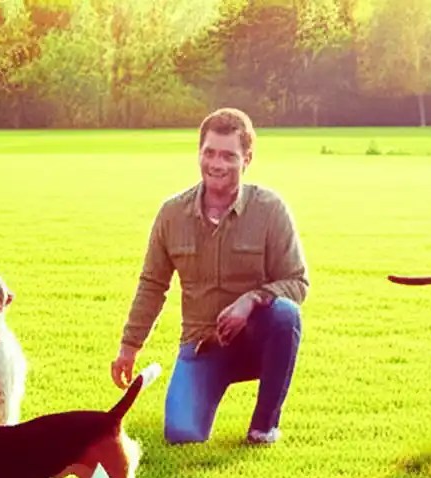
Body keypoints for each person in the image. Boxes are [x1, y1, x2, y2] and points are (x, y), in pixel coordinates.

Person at [110, 107, 309, 445]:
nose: (217, 164)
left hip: (256, 341)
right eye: (210, 153)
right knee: (182, 433)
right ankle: (201, 390)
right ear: (199, 153)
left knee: (285, 314)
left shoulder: (270, 209)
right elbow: (153, 285)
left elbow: (297, 282)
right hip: (202, 346)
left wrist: (251, 300)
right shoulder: (172, 213)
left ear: (247, 159)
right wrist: (129, 347)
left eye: (229, 156)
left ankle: (263, 427)